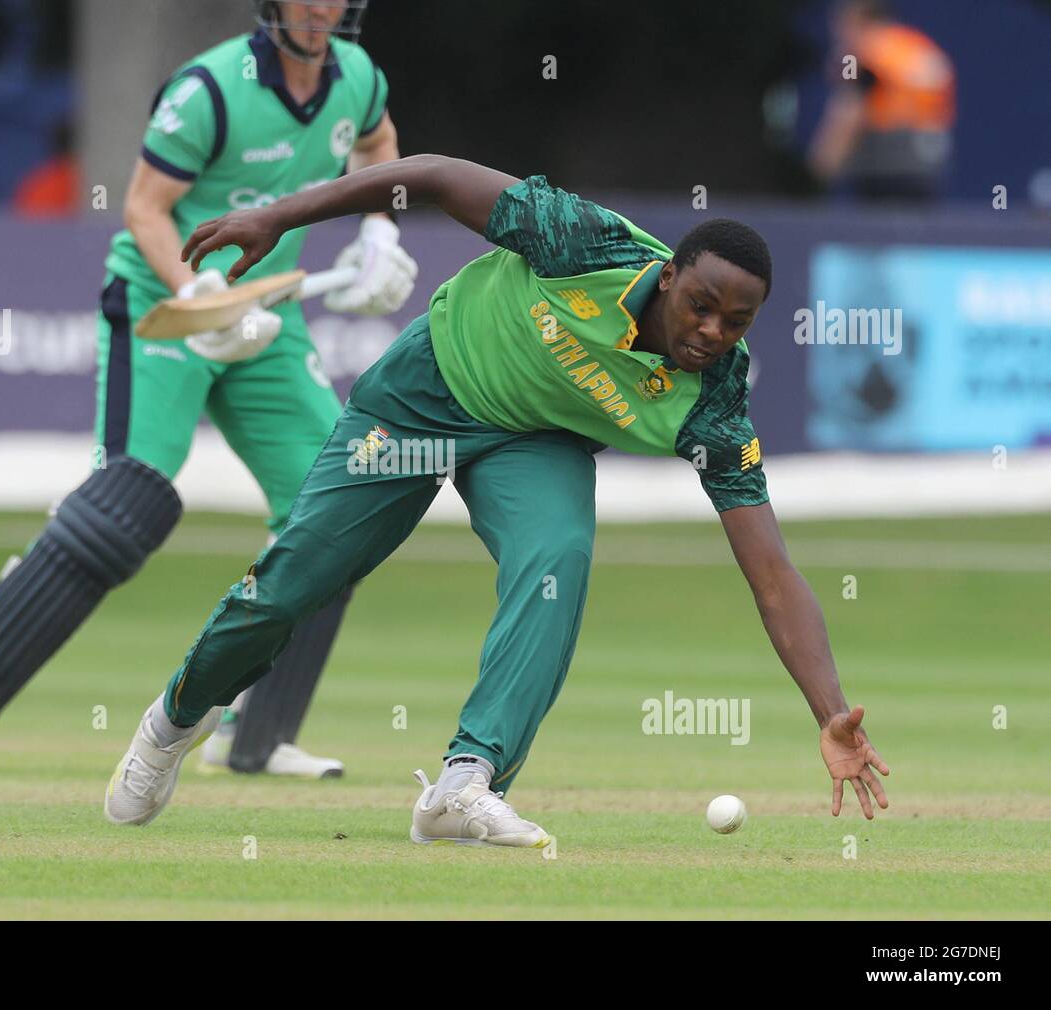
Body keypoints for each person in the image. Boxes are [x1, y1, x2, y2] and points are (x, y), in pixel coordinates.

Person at [102, 153, 892, 845]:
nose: (713, 331)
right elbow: (435, 175)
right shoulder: (584, 241)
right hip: (426, 393)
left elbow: (773, 575)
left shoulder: (715, 402)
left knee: (558, 559)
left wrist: (830, 709)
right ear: (672, 275)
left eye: (737, 321)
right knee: (299, 579)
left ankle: (464, 785)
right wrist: (278, 214)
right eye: (702, 306)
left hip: (533, 441)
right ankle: (175, 718)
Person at [0, 1, 416, 778]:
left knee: (341, 506)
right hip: (160, 306)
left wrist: (380, 228)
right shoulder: (210, 89)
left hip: (266, 317)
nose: (322, 6)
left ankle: (256, 733)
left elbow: (378, 146)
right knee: (126, 503)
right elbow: (146, 207)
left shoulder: (359, 79)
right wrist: (198, 294)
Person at [807, 0, 955, 201]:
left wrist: (816, 175)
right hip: (928, 165)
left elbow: (849, 110)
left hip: (884, 167)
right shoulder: (915, 46)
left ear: (856, 18)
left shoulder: (866, 52)